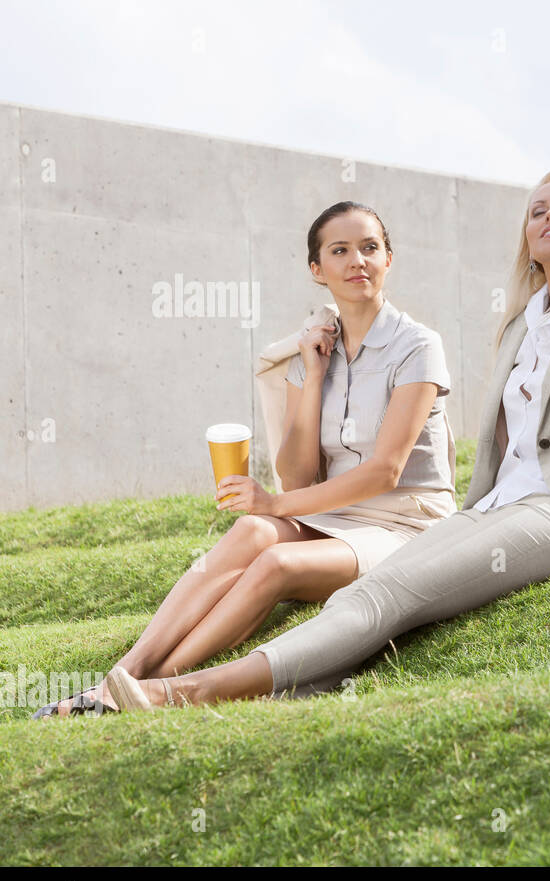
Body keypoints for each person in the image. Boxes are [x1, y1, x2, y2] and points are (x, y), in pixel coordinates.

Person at [98, 169, 550, 714]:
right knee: (361, 597)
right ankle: (289, 683)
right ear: (526, 241)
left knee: (387, 594)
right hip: (500, 506)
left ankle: (181, 693)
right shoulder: (523, 325)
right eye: (536, 211)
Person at [34, 202, 455, 718]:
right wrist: (315, 374)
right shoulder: (315, 352)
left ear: (389, 258)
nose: (358, 260)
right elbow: (298, 474)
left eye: (370, 247)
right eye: (339, 250)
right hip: (336, 519)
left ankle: (147, 690)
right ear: (316, 270)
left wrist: (276, 502)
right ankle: (122, 673)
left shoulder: (417, 345)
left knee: (276, 557)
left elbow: (385, 471)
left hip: (404, 525)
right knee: (253, 531)